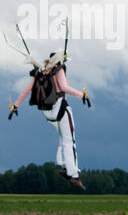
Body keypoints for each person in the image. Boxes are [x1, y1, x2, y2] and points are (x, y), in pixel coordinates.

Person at [8, 51, 91, 189]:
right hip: (61, 108)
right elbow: (64, 87)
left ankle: (63, 164)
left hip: (47, 113)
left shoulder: (40, 72)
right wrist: (81, 95)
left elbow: (28, 90)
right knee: (69, 141)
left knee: (63, 138)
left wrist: (15, 106)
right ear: (59, 61)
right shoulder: (59, 71)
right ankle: (73, 174)